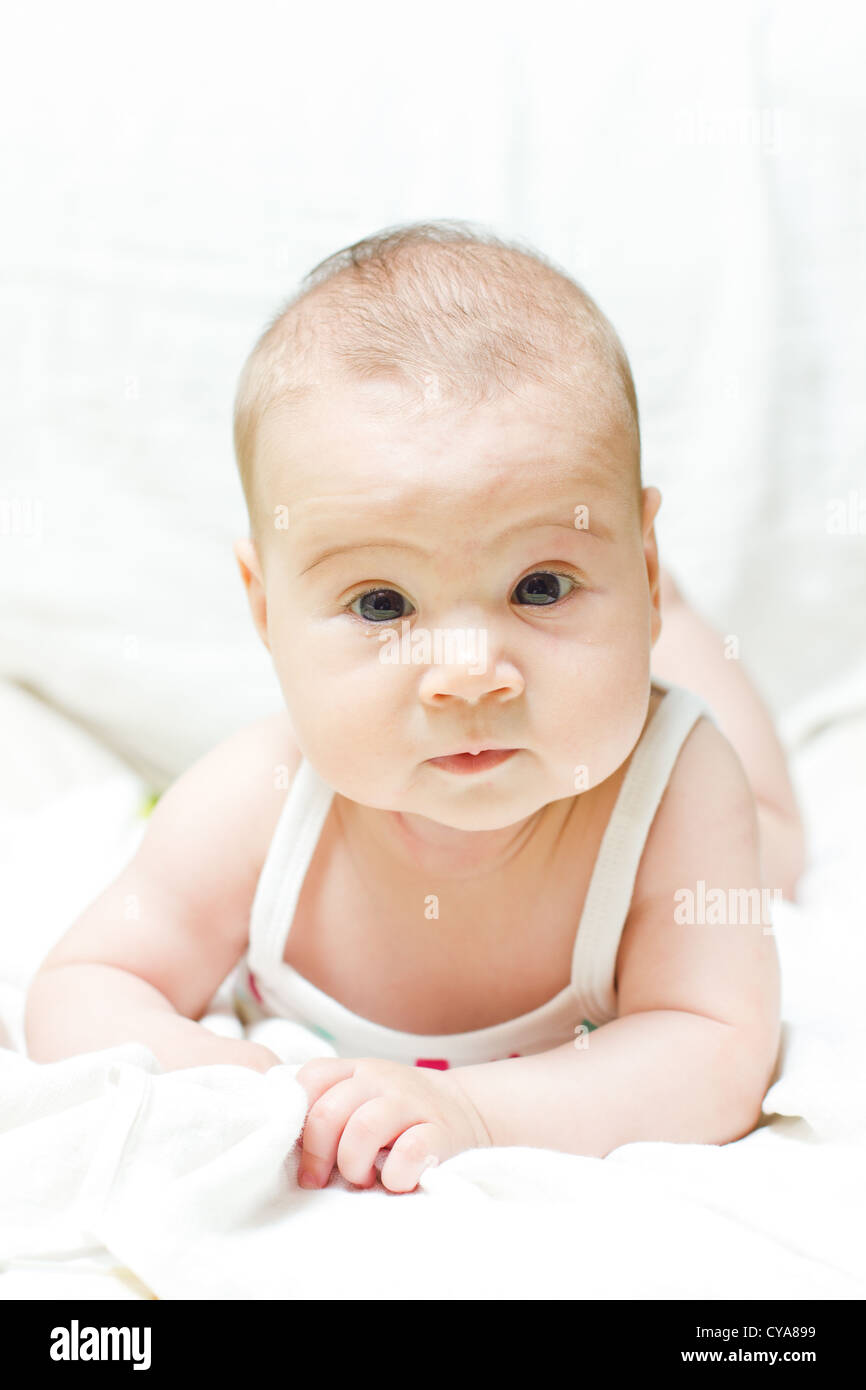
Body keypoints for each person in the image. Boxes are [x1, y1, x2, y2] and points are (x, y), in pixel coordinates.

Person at [25, 220, 805, 1194]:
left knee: (774, 835)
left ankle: (668, 618)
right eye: (382, 603)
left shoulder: (679, 790)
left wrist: (474, 1111)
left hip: (688, 805)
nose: (471, 674)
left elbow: (713, 1053)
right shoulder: (258, 802)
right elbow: (82, 989)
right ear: (266, 609)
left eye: (539, 584)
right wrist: (264, 1093)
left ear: (634, 560)